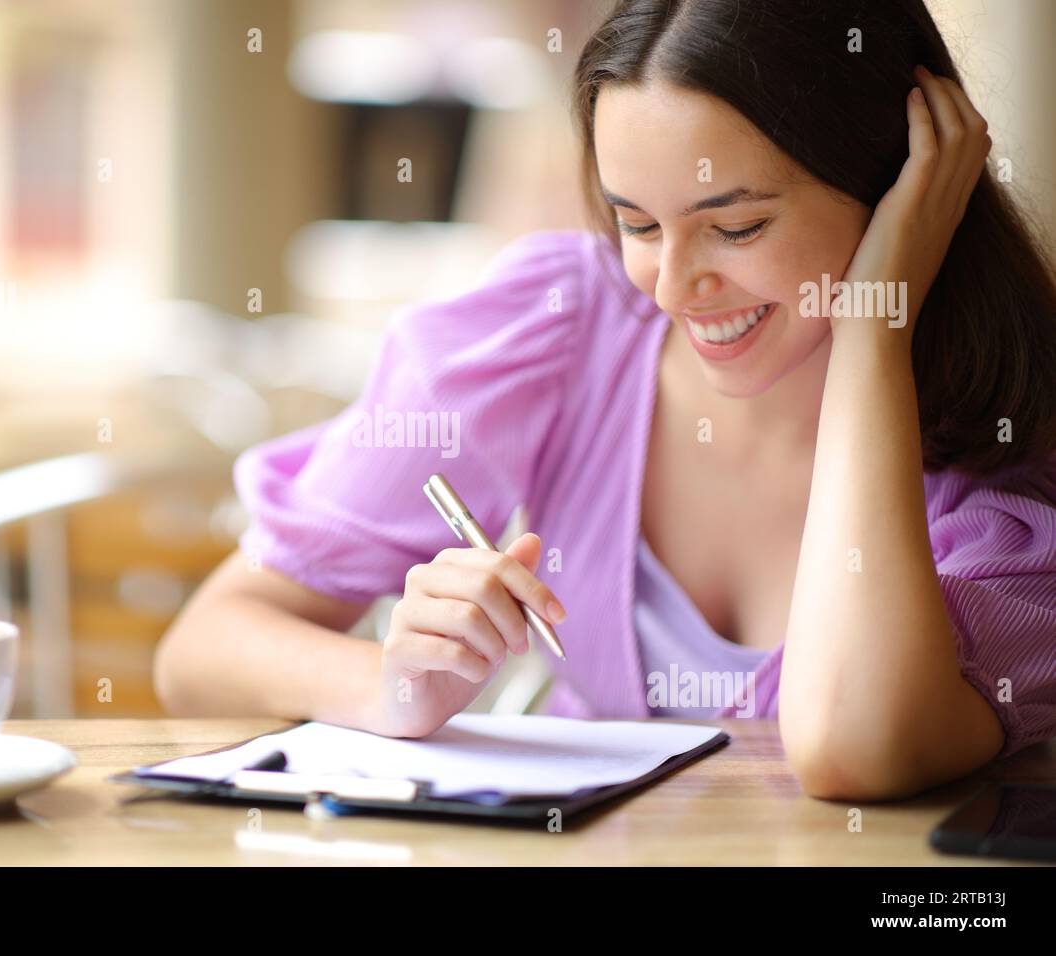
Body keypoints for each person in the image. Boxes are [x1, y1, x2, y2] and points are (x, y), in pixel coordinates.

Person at [154, 0, 1056, 801]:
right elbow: (202, 649)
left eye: (737, 226)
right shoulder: (558, 328)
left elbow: (859, 748)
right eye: (638, 224)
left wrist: (874, 328)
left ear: (897, 187)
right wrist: (395, 683)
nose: (672, 287)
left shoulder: (1011, 472)